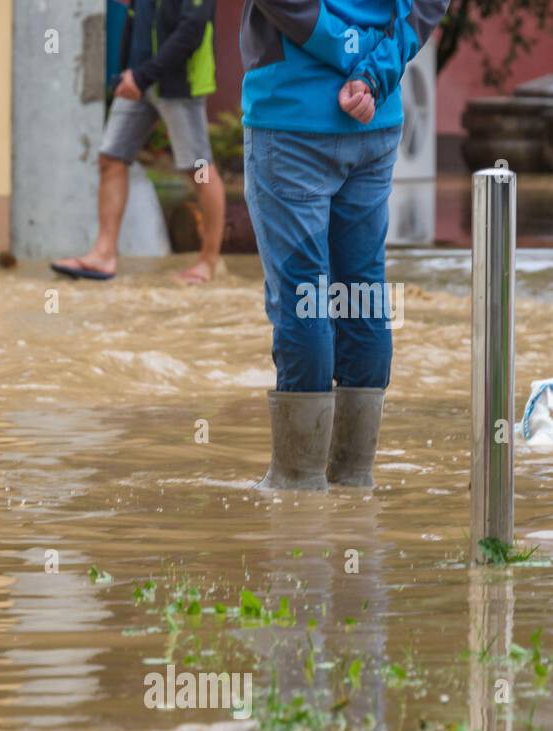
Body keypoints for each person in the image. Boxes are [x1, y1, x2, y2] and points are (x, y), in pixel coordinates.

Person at [243, 0, 449, 490]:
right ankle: (355, 482)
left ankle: (297, 486)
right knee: (362, 291)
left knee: (304, 297)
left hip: (293, 114)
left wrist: (345, 51)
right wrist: (373, 73)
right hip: (374, 117)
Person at [51, 0, 225, 285]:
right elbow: (135, 19)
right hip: (138, 82)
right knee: (111, 158)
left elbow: (191, 30)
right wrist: (125, 74)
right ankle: (104, 255)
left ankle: (208, 262)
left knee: (199, 168)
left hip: (180, 82)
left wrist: (143, 75)